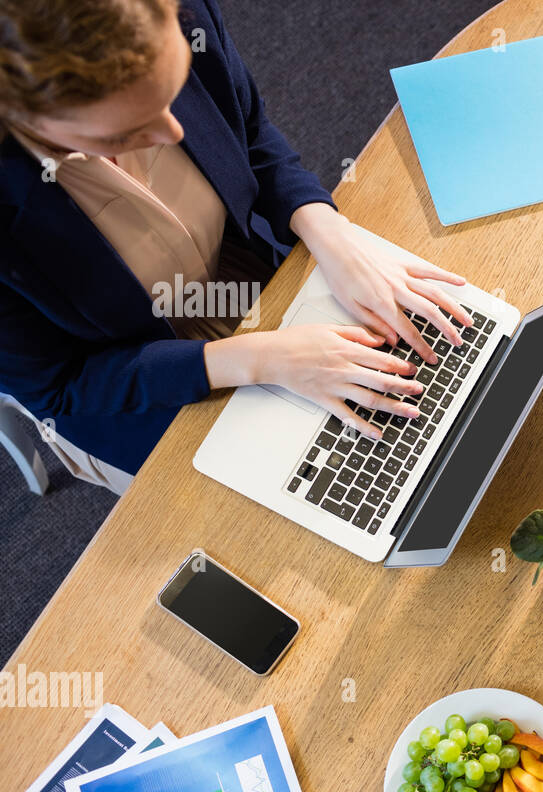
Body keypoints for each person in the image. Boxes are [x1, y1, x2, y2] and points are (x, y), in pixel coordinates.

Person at [0, 0, 468, 494]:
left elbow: (248, 134)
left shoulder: (181, 15)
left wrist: (327, 229)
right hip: (130, 383)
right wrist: (258, 358)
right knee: (311, 510)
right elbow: (61, 385)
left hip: (239, 273)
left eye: (171, 88)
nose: (171, 132)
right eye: (123, 132)